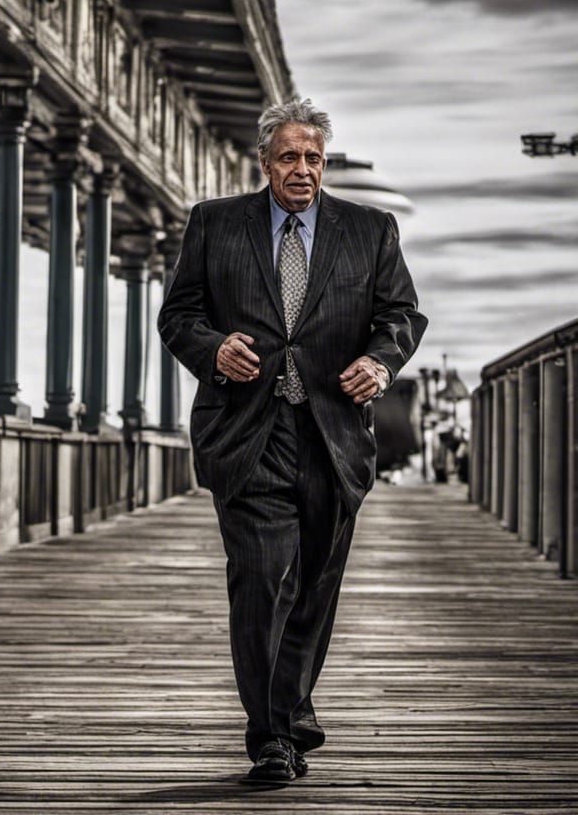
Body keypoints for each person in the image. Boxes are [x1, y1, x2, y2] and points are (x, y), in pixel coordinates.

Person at [158, 98, 427, 784]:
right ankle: (272, 735)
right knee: (260, 578)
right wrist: (214, 350)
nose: (301, 169)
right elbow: (179, 314)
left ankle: (291, 710)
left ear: (324, 162)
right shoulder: (215, 225)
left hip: (333, 433)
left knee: (313, 585)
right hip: (247, 433)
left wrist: (380, 361)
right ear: (265, 162)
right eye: (288, 156)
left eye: (312, 157)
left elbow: (400, 313)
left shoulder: (369, 230)